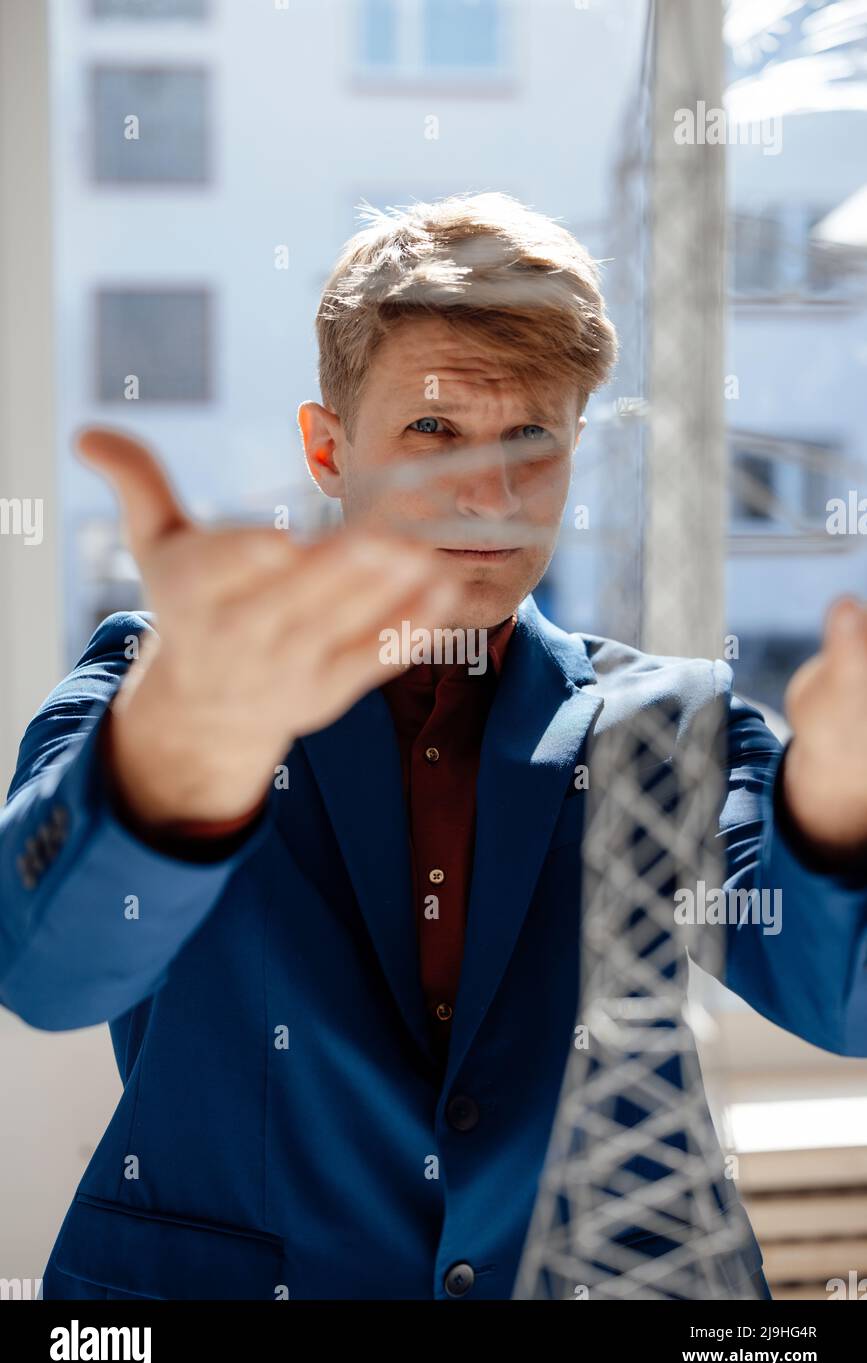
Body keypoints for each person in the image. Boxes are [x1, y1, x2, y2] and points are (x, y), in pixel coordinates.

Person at [3, 193, 866, 1301]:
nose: (492, 493)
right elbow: (46, 969)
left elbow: (840, 1000)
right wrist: (177, 756)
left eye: (531, 439)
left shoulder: (673, 720)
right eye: (433, 430)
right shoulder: (158, 680)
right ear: (327, 449)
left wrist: (838, 807)